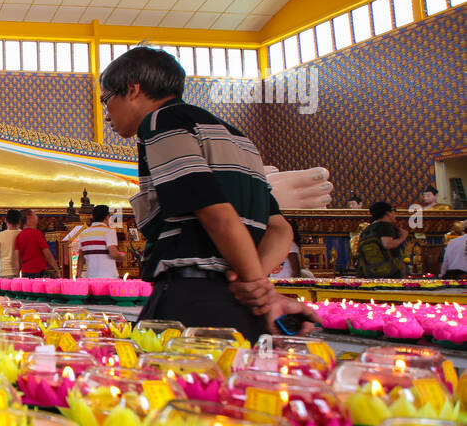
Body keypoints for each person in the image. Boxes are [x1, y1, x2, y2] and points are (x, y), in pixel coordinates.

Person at [99, 47, 316, 338]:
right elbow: (279, 227)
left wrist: (254, 284)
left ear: (133, 89)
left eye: (105, 99)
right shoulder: (238, 137)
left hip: (192, 298)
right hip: (237, 301)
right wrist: (255, 283)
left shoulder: (161, 123)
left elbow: (216, 214)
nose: (105, 114)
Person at [355, 202, 410, 278]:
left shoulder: (368, 229)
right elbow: (387, 244)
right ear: (388, 213)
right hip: (390, 272)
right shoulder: (386, 225)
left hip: (369, 272)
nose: (395, 214)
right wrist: (403, 237)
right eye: (393, 211)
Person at [71, 205, 123, 279]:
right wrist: (122, 256)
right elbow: (114, 253)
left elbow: (81, 257)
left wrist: (78, 275)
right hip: (109, 277)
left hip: (91, 277)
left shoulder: (84, 233)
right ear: (107, 217)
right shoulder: (109, 231)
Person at [15, 209, 61, 278]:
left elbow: (17, 259)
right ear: (29, 217)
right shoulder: (37, 234)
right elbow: (48, 255)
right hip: (39, 271)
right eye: (35, 215)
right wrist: (57, 270)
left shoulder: (19, 236)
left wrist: (17, 273)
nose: (37, 217)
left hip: (25, 271)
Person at [0, 210, 22, 279]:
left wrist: (2, 252)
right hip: (20, 272)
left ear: (5, 220)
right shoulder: (23, 234)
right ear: (19, 221)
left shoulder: (0, 235)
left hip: (5, 272)